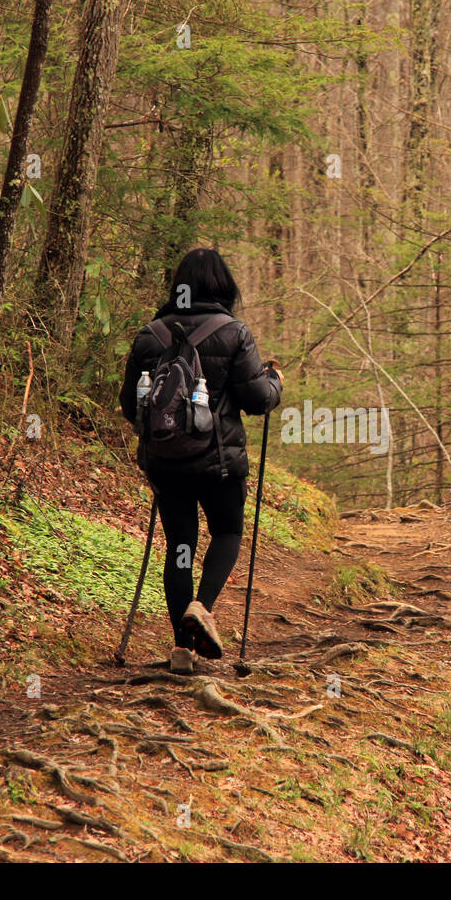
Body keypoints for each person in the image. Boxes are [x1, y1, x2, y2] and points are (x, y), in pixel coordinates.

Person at [120, 248, 283, 673]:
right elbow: (256, 399)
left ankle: (182, 650)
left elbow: (128, 405)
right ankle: (201, 608)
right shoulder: (234, 333)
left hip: (166, 463)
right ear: (224, 286)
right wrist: (274, 381)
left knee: (180, 547)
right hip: (219, 463)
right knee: (227, 532)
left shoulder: (150, 334)